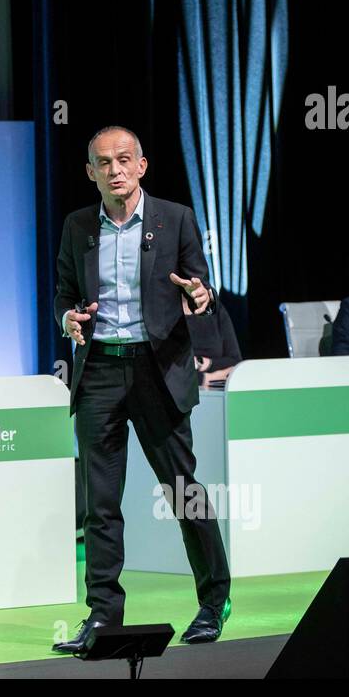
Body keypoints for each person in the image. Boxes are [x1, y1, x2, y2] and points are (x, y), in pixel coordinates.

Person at [52, 126, 232, 652]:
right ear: (91, 173)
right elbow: (64, 291)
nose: (115, 169)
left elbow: (202, 289)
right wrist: (68, 317)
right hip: (101, 372)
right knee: (100, 507)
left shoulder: (174, 218)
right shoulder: (78, 226)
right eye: (103, 162)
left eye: (123, 159)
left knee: (184, 493)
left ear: (142, 165)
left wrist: (199, 294)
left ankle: (213, 599)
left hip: (159, 370)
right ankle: (104, 615)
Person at [185, 295, 242, 387]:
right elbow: (164, 370)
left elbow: (236, 362)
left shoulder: (216, 309)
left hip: (214, 393)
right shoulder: (163, 312)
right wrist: (205, 379)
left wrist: (203, 363)